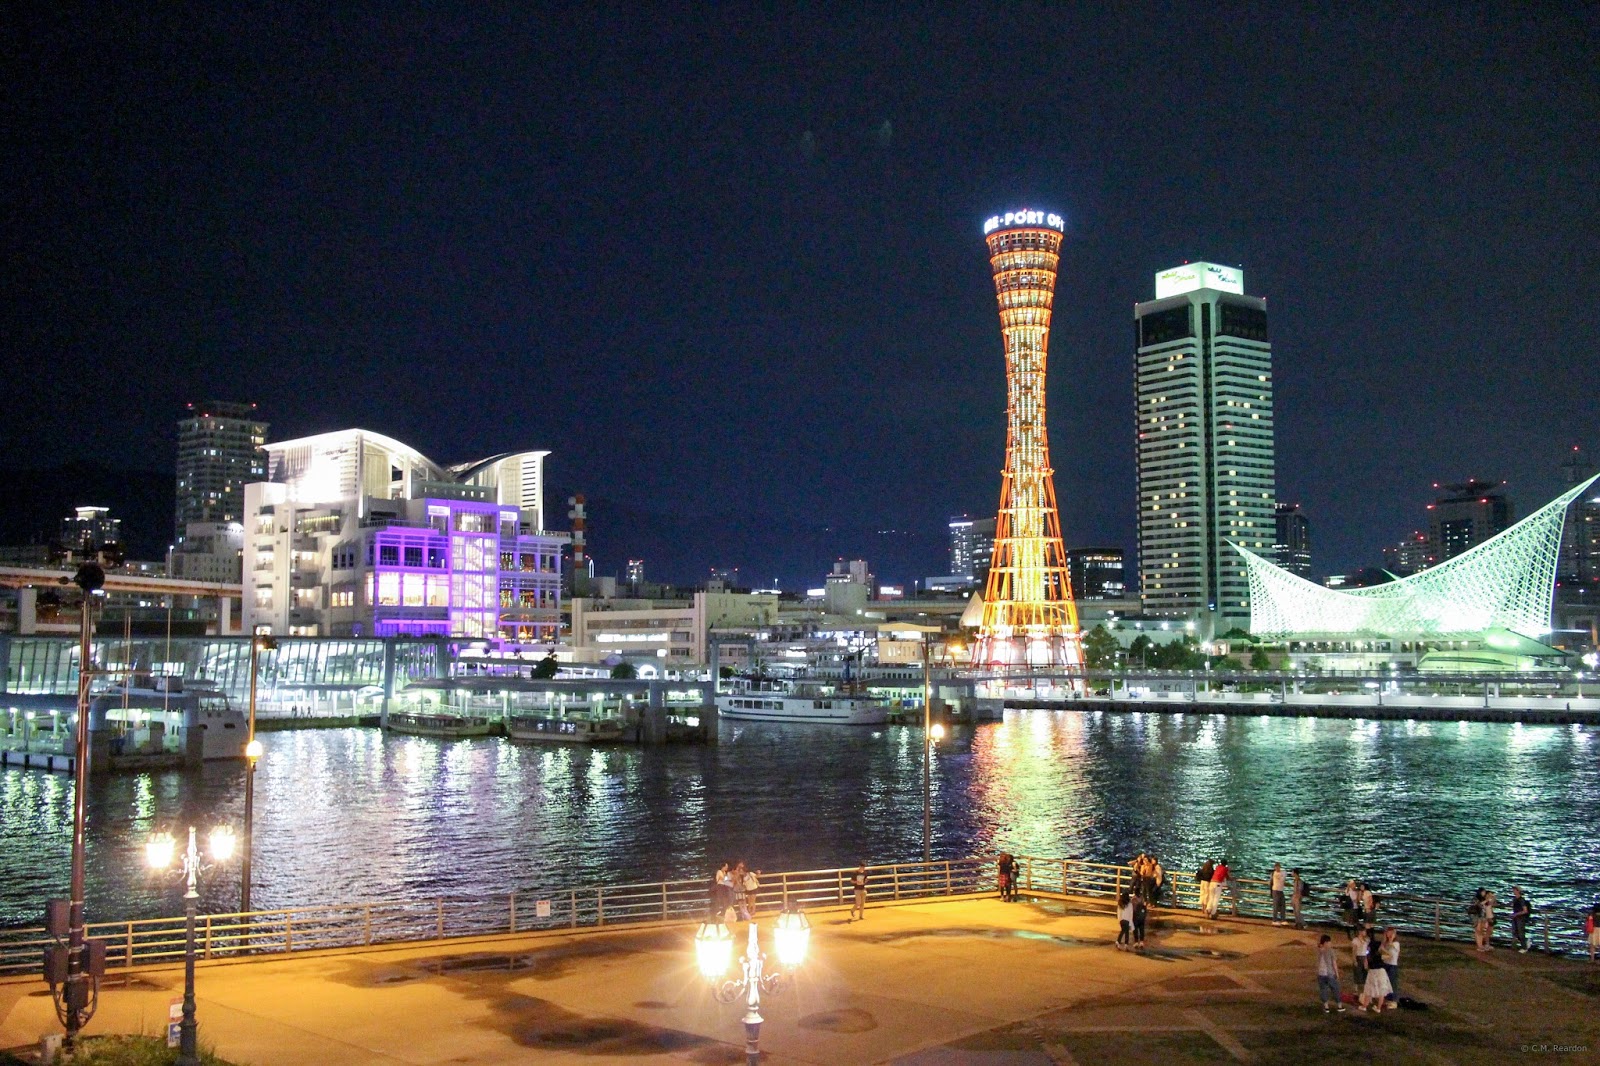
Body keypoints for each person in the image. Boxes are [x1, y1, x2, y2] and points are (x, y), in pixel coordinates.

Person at [1358, 941, 1394, 1011]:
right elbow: (1390, 955)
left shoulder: (1368, 956)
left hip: (1372, 973)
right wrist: (1383, 950)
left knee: (1369, 990)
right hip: (1381, 972)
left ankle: (1364, 1006)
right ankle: (1378, 1008)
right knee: (1381, 991)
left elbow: (1365, 967)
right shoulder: (1380, 956)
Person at [1316, 934, 1347, 1013]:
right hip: (1329, 973)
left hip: (1321, 973)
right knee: (1335, 989)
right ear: (1326, 942)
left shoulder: (1320, 950)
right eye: (1329, 942)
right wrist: (1337, 973)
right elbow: (1334, 963)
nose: (1330, 943)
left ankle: (1326, 1007)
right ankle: (1339, 1006)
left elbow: (1318, 946)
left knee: (1323, 990)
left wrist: (1320, 945)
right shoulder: (1330, 951)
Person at [1379, 927, 1400, 1005]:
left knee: (1392, 982)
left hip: (1392, 965)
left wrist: (1389, 940)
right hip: (1385, 964)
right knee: (1385, 982)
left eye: (1392, 933)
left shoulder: (1396, 943)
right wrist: (1384, 941)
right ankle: (1387, 998)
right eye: (1388, 933)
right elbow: (1380, 950)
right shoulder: (1385, 943)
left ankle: (1393, 1000)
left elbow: (1389, 952)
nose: (1390, 935)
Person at [1509, 886, 1532, 953]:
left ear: (1518, 891)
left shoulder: (1521, 900)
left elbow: (1525, 910)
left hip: (1520, 918)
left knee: (1521, 933)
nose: (1513, 891)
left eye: (1514, 890)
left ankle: (1524, 947)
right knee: (1515, 932)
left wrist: (1516, 914)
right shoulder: (1515, 899)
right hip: (1516, 917)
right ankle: (1523, 945)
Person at [1350, 924, 1370, 989]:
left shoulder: (1366, 940)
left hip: (1364, 957)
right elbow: (1354, 951)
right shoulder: (1355, 940)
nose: (1365, 932)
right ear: (1360, 932)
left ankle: (1364, 987)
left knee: (1364, 972)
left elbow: (1366, 950)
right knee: (1357, 972)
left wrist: (1366, 959)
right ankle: (1356, 988)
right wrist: (1354, 960)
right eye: (1364, 931)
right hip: (1358, 957)